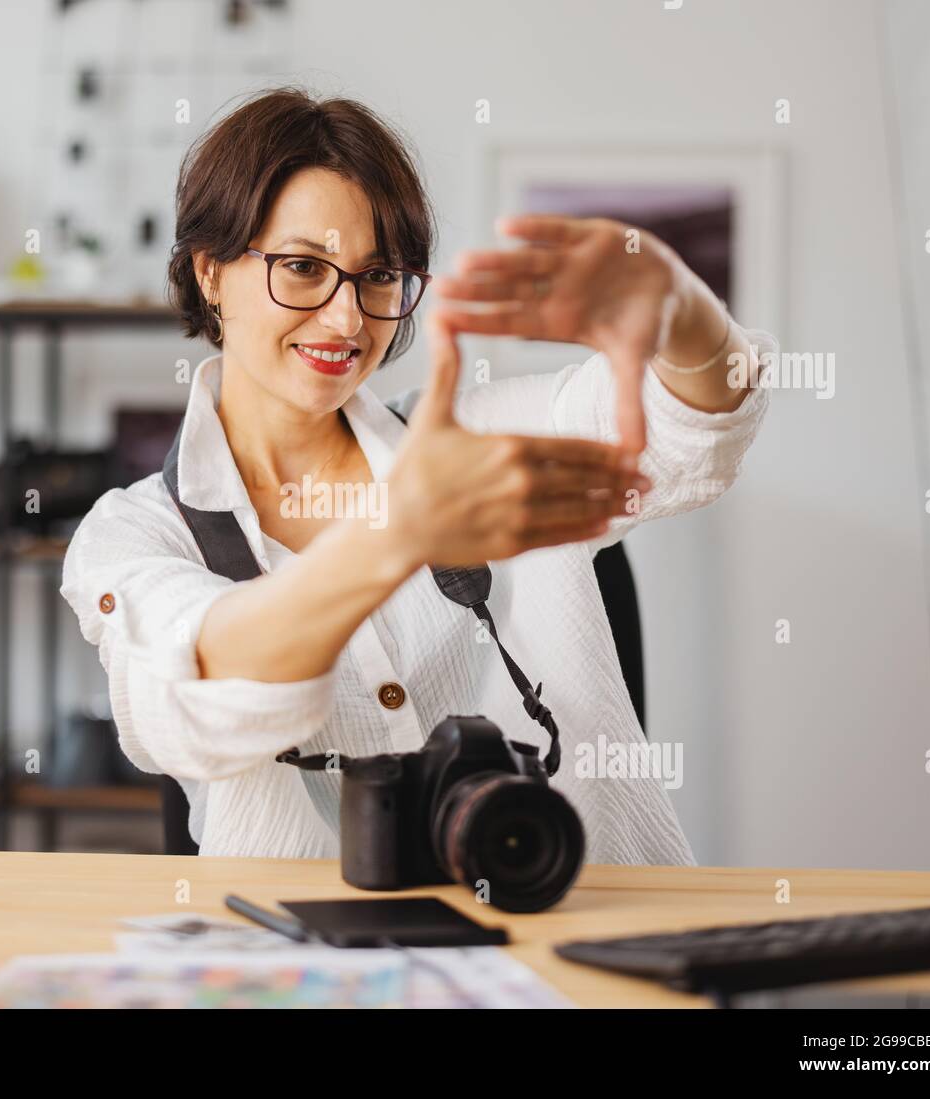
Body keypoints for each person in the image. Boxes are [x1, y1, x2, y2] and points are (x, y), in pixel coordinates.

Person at [61, 88, 775, 864]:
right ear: (210, 271)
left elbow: (689, 431)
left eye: (376, 277)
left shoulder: (478, 437)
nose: (346, 320)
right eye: (303, 267)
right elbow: (195, 682)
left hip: (578, 947)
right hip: (308, 974)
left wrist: (679, 312)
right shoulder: (131, 534)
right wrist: (391, 536)